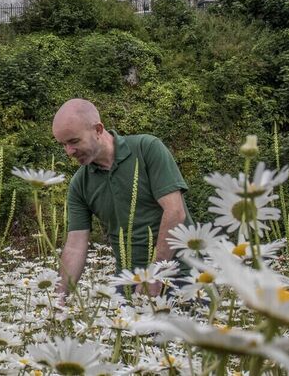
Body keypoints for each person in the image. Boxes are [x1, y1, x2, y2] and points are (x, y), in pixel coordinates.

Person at [52, 98, 191, 299]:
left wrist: (154, 275)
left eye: (74, 141)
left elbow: (175, 212)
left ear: (98, 130)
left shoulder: (147, 149)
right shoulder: (79, 184)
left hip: (182, 274)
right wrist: (58, 300)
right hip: (127, 282)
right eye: (63, 144)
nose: (69, 152)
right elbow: (75, 245)